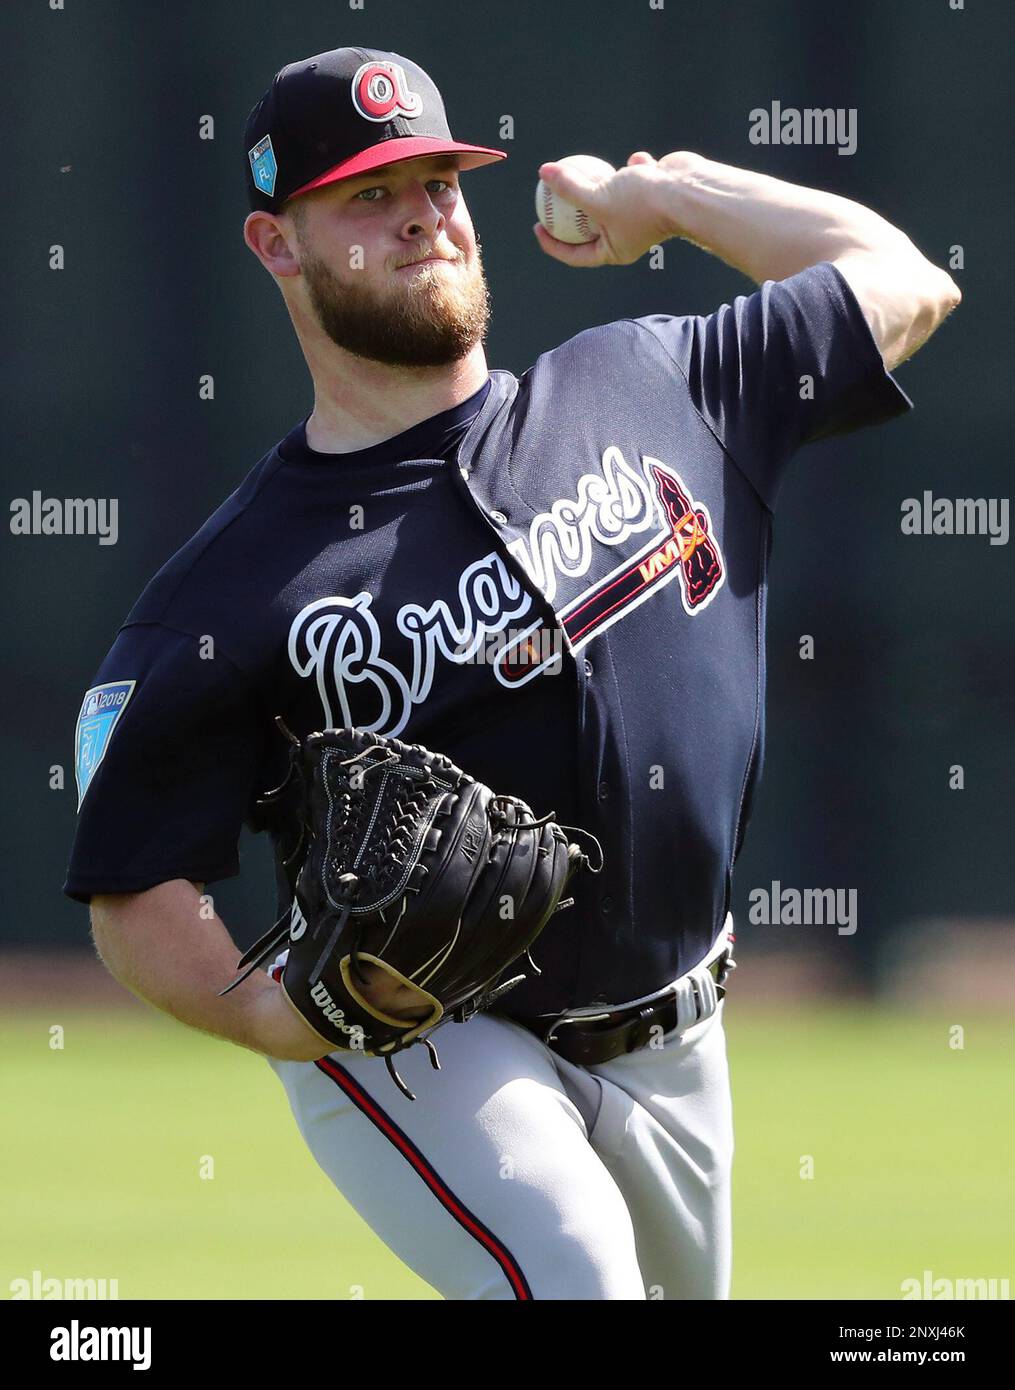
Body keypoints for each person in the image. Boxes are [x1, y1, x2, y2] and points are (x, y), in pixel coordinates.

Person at [64, 46, 960, 1300]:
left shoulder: (653, 381)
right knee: (576, 1280)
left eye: (436, 179)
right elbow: (133, 886)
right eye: (367, 196)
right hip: (429, 1041)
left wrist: (673, 195)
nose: (421, 213)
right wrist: (279, 1018)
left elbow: (900, 283)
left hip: (679, 1022)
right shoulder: (234, 590)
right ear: (277, 245)